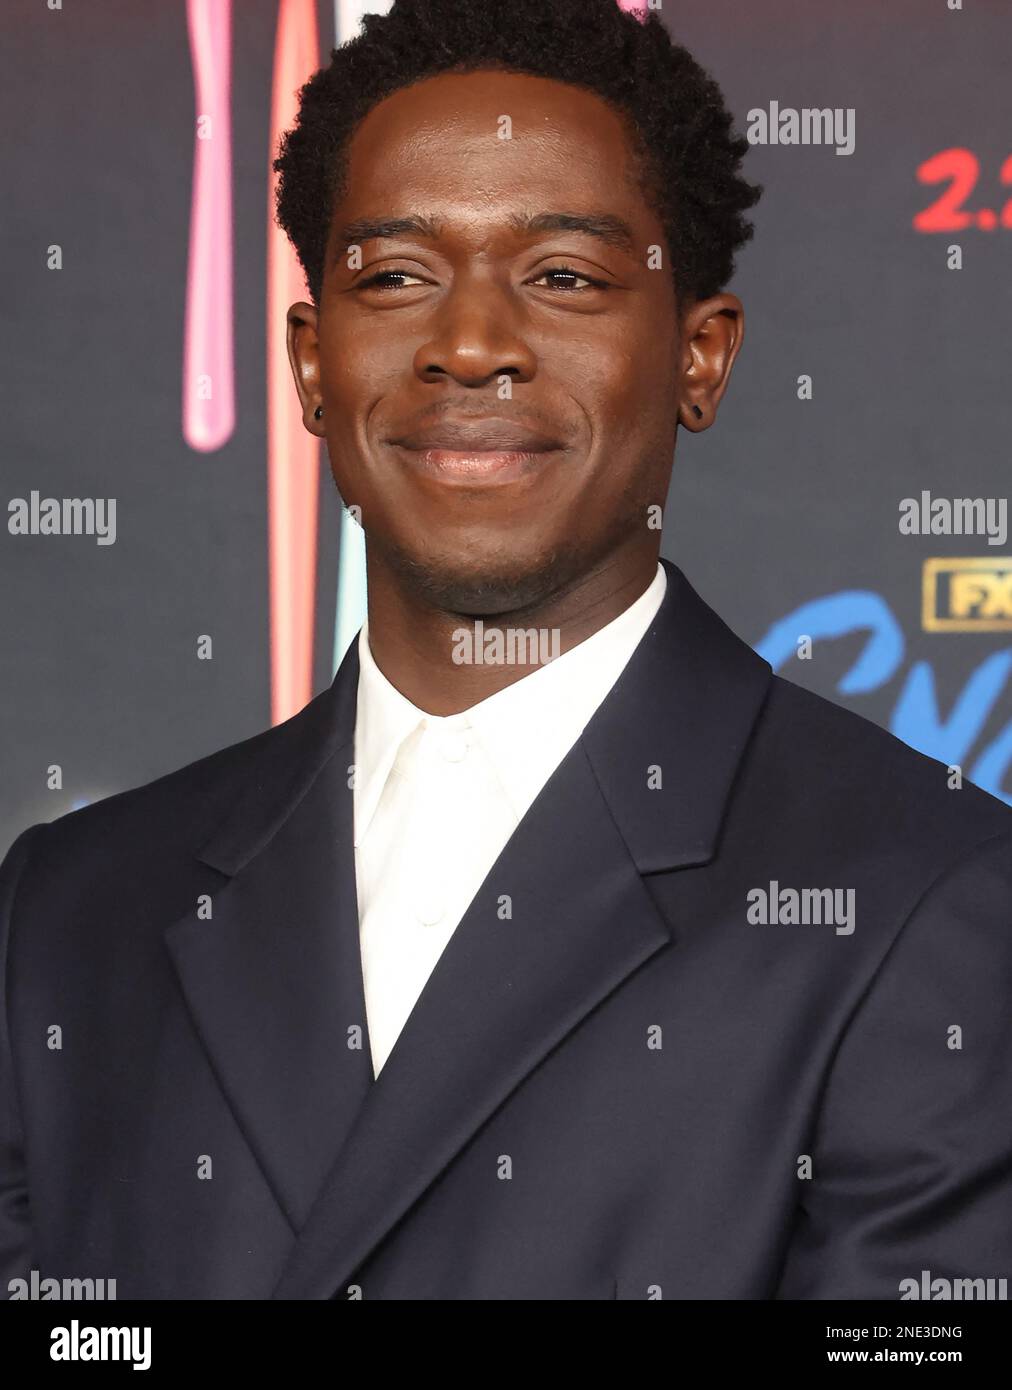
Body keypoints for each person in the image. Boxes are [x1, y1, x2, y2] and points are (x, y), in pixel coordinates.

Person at [2, 0, 1010, 1301]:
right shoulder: (72, 912)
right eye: (397, 276)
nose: (470, 343)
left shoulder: (930, 900)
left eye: (564, 278)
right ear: (312, 364)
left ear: (700, 357)